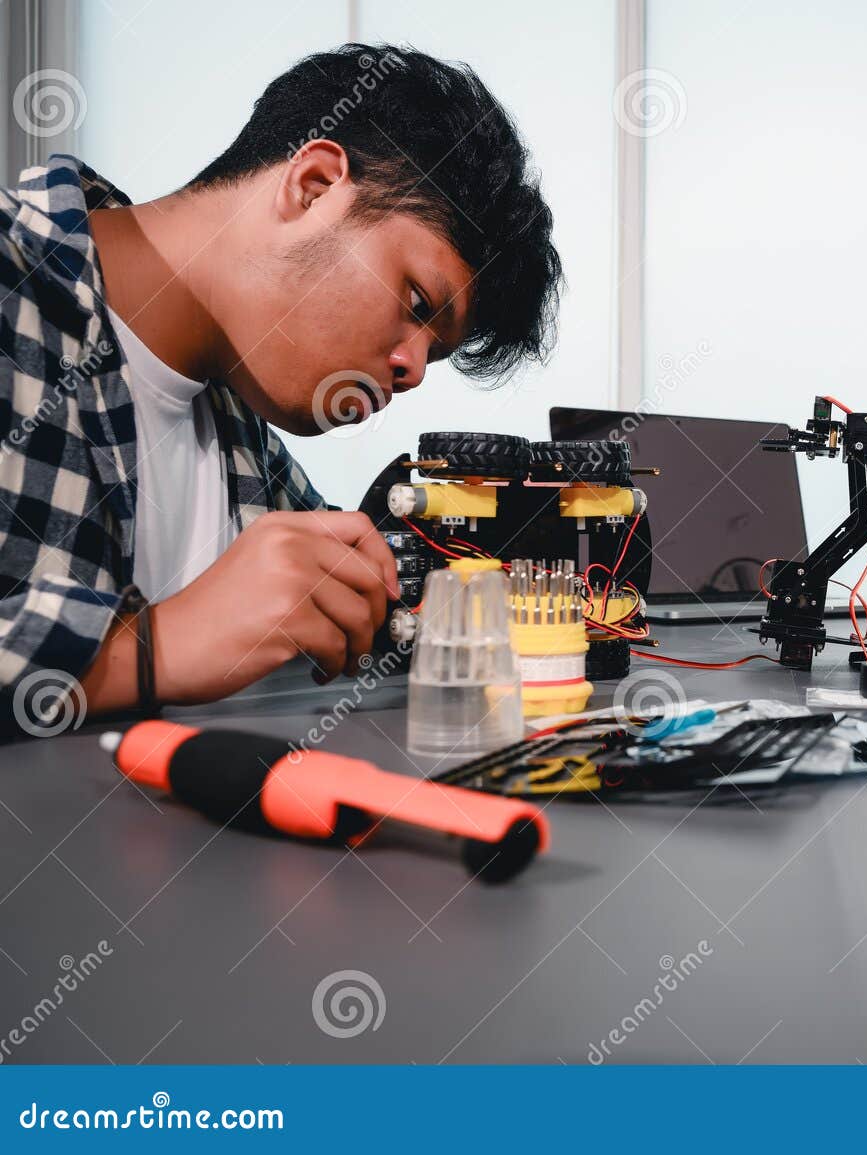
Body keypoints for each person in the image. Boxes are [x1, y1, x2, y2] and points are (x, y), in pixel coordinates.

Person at [0, 43, 561, 736]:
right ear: (315, 184)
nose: (413, 369)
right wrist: (152, 649)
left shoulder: (245, 439)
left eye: (434, 354)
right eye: (417, 303)